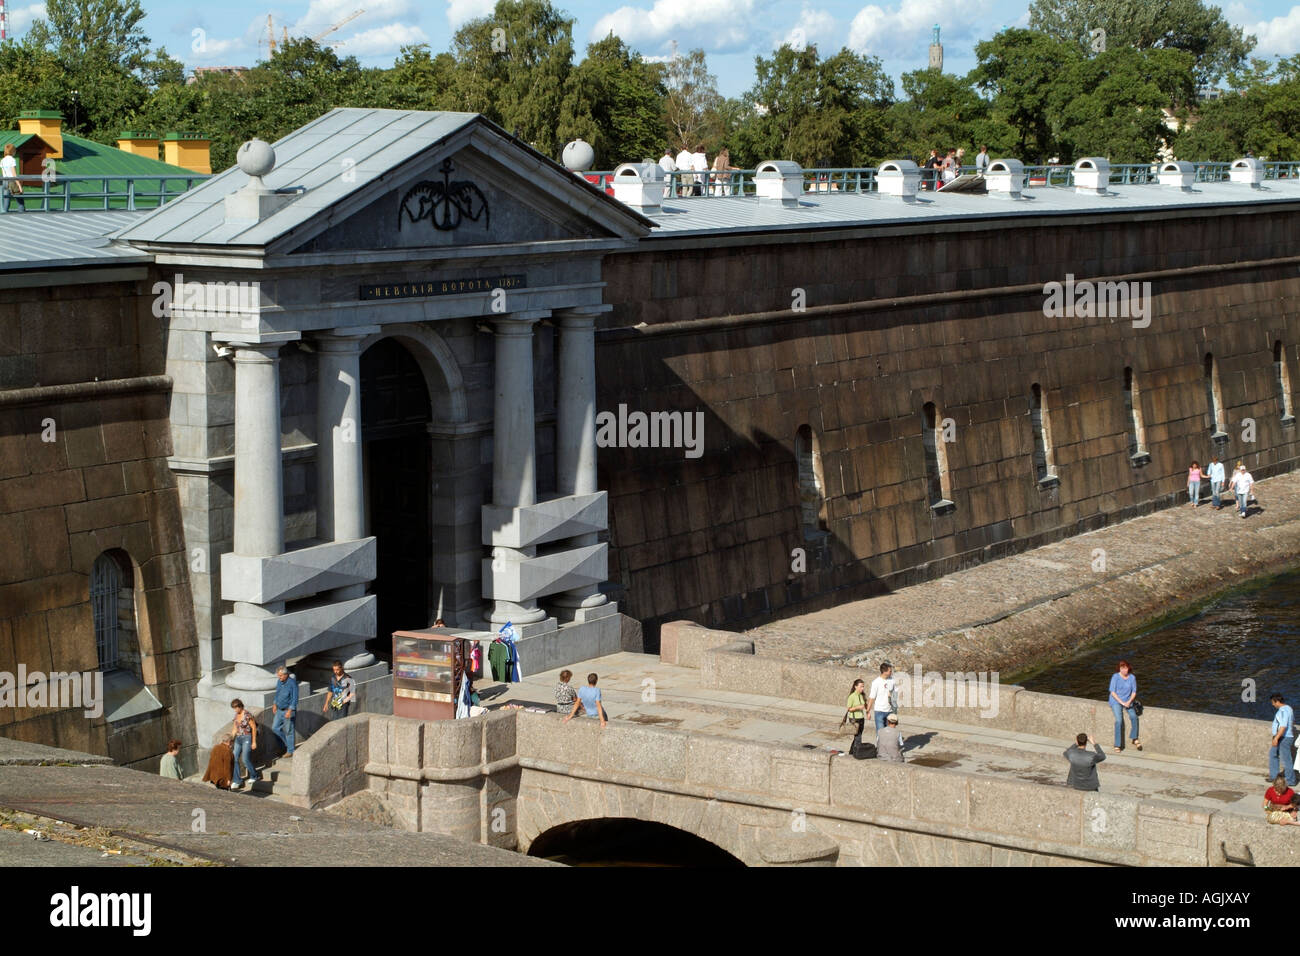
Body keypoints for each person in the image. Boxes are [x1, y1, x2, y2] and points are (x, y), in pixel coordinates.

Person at [1107, 659, 1141, 753]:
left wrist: (1129, 701)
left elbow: (1134, 692)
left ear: (1128, 668)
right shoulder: (1115, 677)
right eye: (1122, 668)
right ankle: (1117, 744)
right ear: (1119, 669)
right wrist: (1122, 703)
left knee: (1134, 717)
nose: (1124, 670)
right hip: (1116, 701)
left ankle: (1134, 738)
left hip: (1128, 700)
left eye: (1125, 668)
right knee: (1119, 720)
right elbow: (1112, 692)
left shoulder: (1132, 677)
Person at [229, 699, 260, 790]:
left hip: (247, 737)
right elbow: (235, 728)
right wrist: (230, 739)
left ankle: (254, 776)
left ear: (240, 706)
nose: (235, 710)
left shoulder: (247, 715)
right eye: (234, 708)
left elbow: (254, 728)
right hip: (238, 738)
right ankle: (237, 780)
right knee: (234, 758)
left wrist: (254, 742)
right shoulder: (236, 715)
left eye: (236, 708)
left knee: (245, 759)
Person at [1270, 693, 1296, 788]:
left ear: (1277, 701)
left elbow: (1283, 726)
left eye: (1273, 702)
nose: (1273, 705)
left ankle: (1291, 780)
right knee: (1273, 754)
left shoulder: (1283, 711)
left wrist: (1276, 738)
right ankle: (1274, 777)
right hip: (1282, 736)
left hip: (1283, 737)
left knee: (1286, 760)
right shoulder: (1289, 708)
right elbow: (1292, 722)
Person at [865, 661, 897, 738]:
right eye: (890, 671)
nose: (891, 672)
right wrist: (868, 711)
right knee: (880, 733)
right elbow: (872, 697)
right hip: (879, 711)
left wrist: (892, 695)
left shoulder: (892, 680)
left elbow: (896, 692)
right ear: (884, 672)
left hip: (890, 711)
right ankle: (880, 749)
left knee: (889, 733)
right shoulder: (876, 682)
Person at [271, 665, 298, 756]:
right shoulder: (279, 681)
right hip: (279, 710)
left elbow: (295, 698)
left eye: (281, 675)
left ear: (286, 674)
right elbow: (277, 693)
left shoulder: (292, 683)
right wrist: (275, 704)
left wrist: (290, 711)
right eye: (278, 675)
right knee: (275, 728)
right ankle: (285, 745)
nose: (279, 677)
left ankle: (290, 751)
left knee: (289, 731)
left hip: (288, 710)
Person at [845, 678, 867, 756]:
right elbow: (849, 709)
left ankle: (851, 751)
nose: (862, 688)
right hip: (854, 718)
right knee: (858, 736)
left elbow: (864, 705)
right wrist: (858, 707)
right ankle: (857, 752)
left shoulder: (861, 695)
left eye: (863, 686)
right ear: (855, 686)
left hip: (861, 718)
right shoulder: (852, 696)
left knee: (858, 735)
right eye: (861, 686)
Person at [1, 143, 24, 212]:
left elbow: (3, 173)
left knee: (6, 200)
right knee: (20, 201)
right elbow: (14, 174)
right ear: (12, 151)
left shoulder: (2, 160)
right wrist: (19, 185)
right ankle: (22, 214)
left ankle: (4, 214)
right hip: (12, 181)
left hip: (5, 181)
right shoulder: (12, 160)